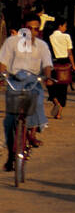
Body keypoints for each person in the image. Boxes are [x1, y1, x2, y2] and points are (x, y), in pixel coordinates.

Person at [1, 16, 53, 167]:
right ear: (23, 28)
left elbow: (47, 64)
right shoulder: (11, 42)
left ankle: (32, 133)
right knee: (9, 121)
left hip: (32, 81)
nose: (32, 32)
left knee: (37, 101)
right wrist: (2, 75)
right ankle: (11, 155)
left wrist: (48, 77)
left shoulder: (42, 46)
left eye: (36, 29)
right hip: (14, 81)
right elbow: (3, 62)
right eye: (29, 28)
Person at [48, 17, 75, 119]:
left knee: (51, 85)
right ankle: (59, 113)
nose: (65, 28)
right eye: (65, 26)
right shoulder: (66, 36)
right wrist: (73, 65)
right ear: (60, 26)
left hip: (53, 63)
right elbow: (70, 53)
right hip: (64, 63)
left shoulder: (50, 37)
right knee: (63, 88)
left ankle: (55, 101)